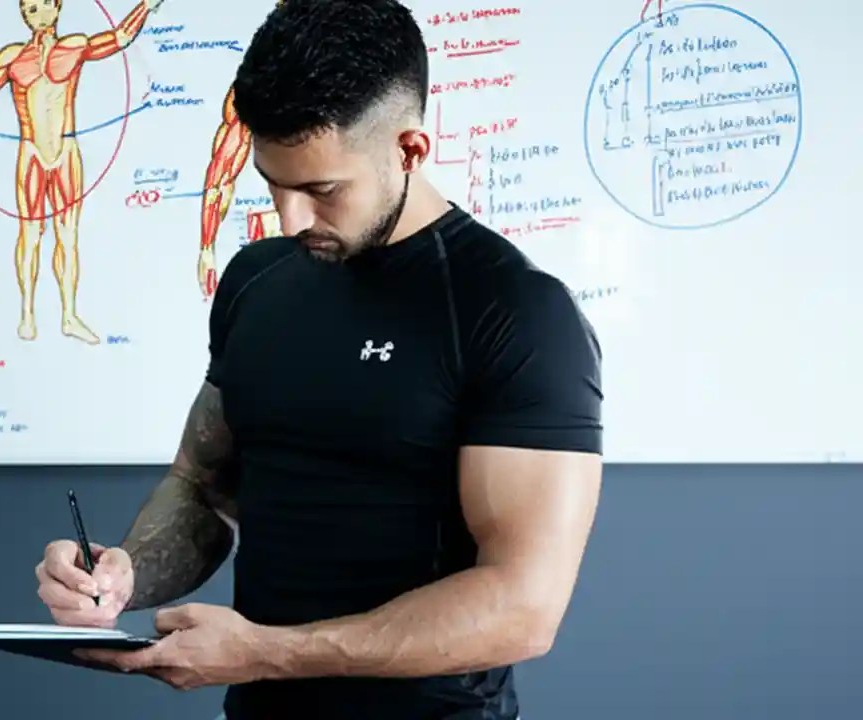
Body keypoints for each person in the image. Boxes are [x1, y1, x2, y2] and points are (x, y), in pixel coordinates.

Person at [33, 1, 604, 717]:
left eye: (321, 190)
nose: (290, 219)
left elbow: (524, 606)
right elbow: (204, 486)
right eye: (272, 183)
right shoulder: (256, 281)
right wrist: (120, 575)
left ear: (410, 149)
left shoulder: (514, 311)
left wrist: (266, 653)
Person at [0, 0, 164, 345]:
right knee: (29, 234)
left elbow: (120, 37)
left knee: (67, 236)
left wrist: (145, 6)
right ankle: (27, 313)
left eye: (44, 5)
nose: (38, 14)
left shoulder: (74, 47)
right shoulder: (12, 57)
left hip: (65, 153)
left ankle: (68, 315)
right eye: (29, 9)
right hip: (31, 153)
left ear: (57, 7)